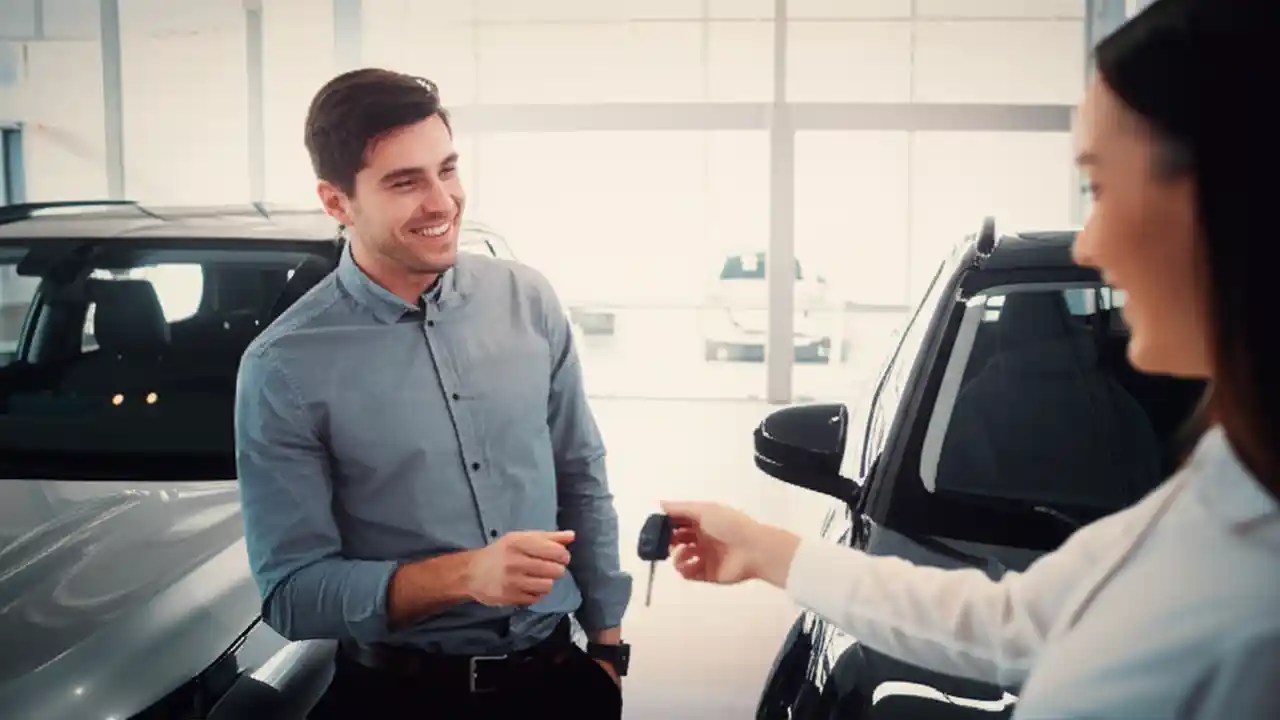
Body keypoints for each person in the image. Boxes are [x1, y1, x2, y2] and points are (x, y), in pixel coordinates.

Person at [662, 0, 1279, 717]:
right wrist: (764, 548)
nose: (1088, 245)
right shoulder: (1221, 486)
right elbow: (1012, 623)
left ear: (1224, 201)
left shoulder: (1257, 598)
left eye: (1102, 189)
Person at [235, 69, 631, 718]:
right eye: (405, 182)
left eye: (446, 169)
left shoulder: (526, 299)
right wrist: (467, 576)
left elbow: (579, 472)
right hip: (400, 697)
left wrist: (608, 647)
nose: (442, 200)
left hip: (559, 679)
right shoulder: (284, 368)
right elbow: (291, 593)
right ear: (336, 202)